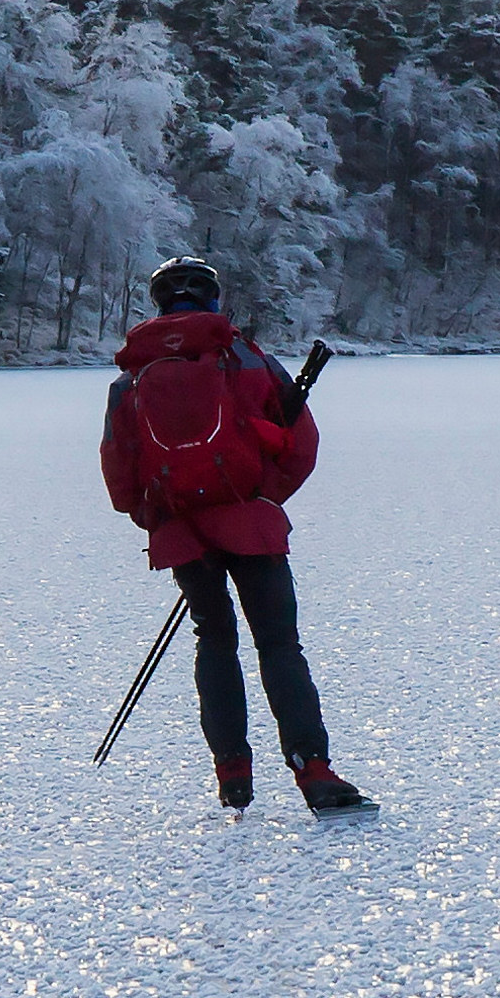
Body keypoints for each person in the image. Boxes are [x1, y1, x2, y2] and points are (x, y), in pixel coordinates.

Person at [99, 257, 368, 814]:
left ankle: (232, 774)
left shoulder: (129, 380)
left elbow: (120, 479)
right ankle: (312, 770)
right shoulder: (247, 358)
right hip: (252, 521)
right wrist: (264, 496)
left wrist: (163, 518)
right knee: (278, 643)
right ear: (214, 299)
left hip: (181, 532)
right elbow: (302, 444)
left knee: (213, 641)